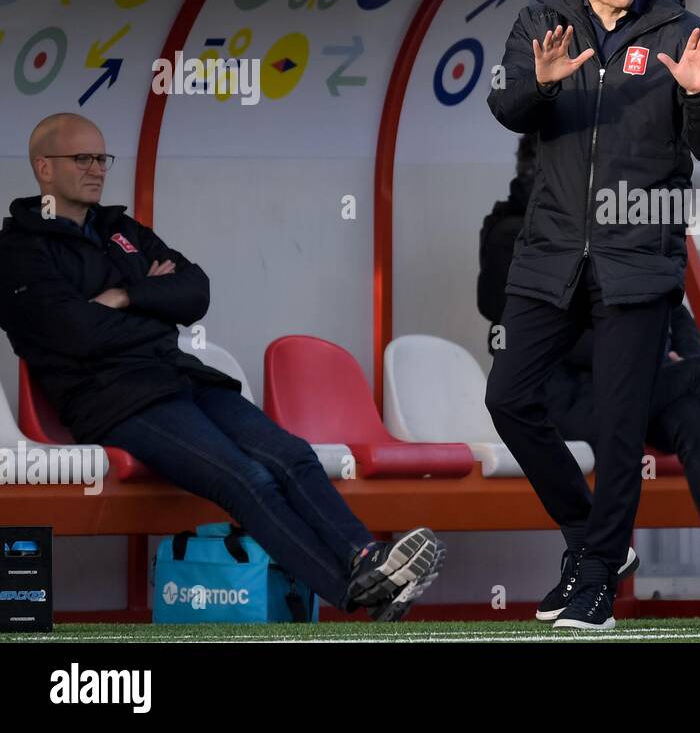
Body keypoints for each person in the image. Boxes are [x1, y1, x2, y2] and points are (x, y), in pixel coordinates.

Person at [0, 113, 444, 622]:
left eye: (103, 158)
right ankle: (358, 591)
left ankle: (366, 559)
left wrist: (124, 296)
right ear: (43, 168)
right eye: (83, 158)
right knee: (245, 478)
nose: (98, 169)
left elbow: (195, 292)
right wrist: (153, 307)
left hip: (182, 376)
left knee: (291, 455)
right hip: (115, 399)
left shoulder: (119, 229)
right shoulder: (17, 251)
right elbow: (76, 333)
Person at [484, 0, 700, 630]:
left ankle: (597, 579)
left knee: (620, 426)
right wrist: (541, 83)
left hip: (638, 260)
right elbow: (506, 107)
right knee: (508, 399)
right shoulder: (543, 23)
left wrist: (698, 98)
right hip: (552, 256)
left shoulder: (682, 31)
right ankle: (589, 535)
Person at [481, 134, 700, 617]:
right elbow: (525, 326)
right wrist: (643, 355)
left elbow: (667, 309)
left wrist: (676, 356)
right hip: (570, 399)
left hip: (630, 389)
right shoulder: (515, 232)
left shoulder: (610, 230)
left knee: (696, 411)